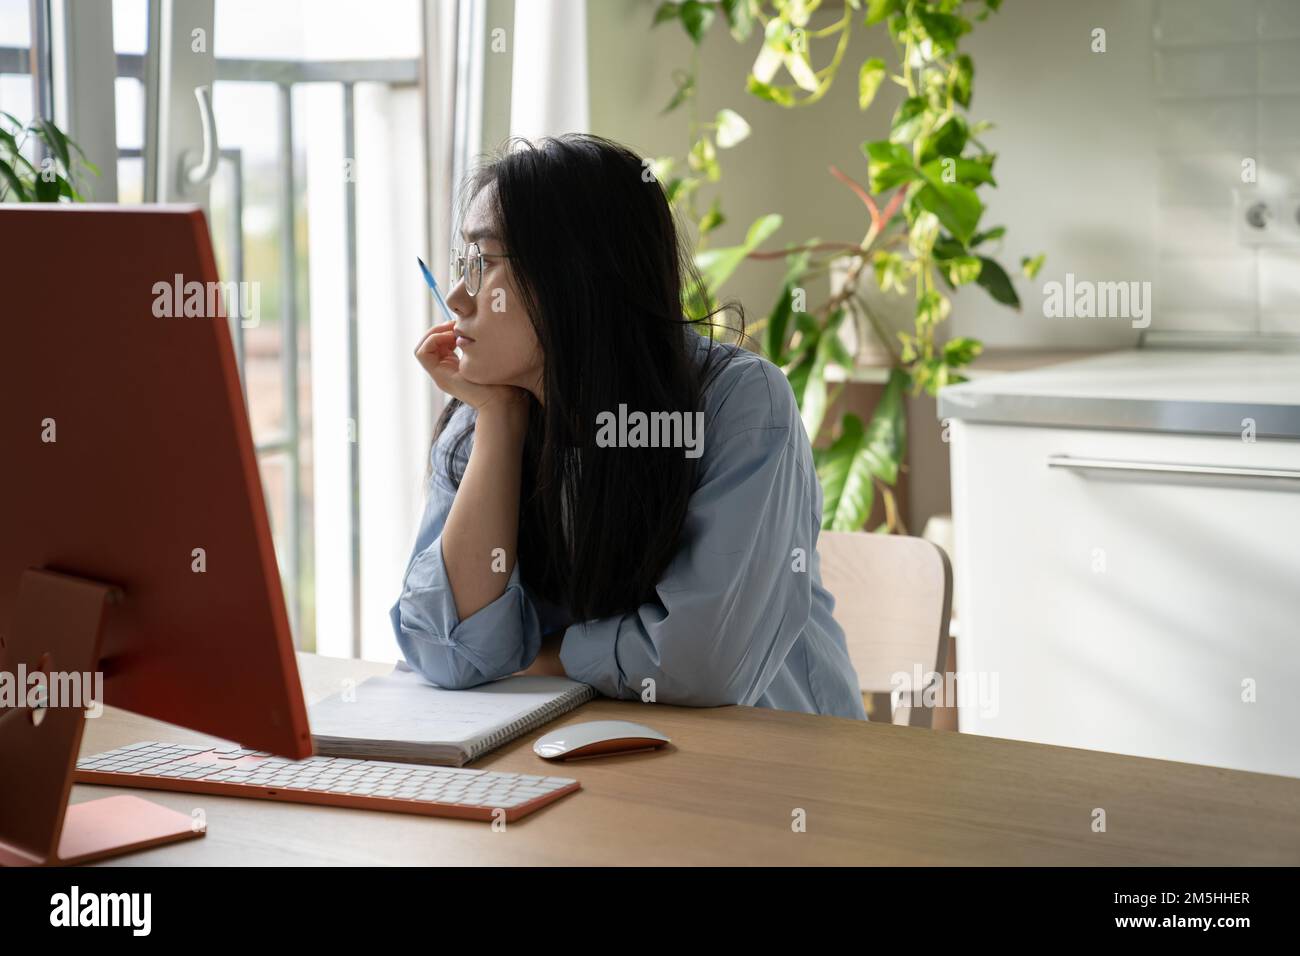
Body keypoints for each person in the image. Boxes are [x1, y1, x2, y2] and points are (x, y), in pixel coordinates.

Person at [389, 133, 866, 720]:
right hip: (594, 752)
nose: (458, 298)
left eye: (483, 264)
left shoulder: (739, 404)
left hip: (775, 767)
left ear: (577, 274)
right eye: (463, 263)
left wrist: (543, 654)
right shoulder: (483, 416)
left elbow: (700, 662)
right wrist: (499, 421)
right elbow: (446, 653)